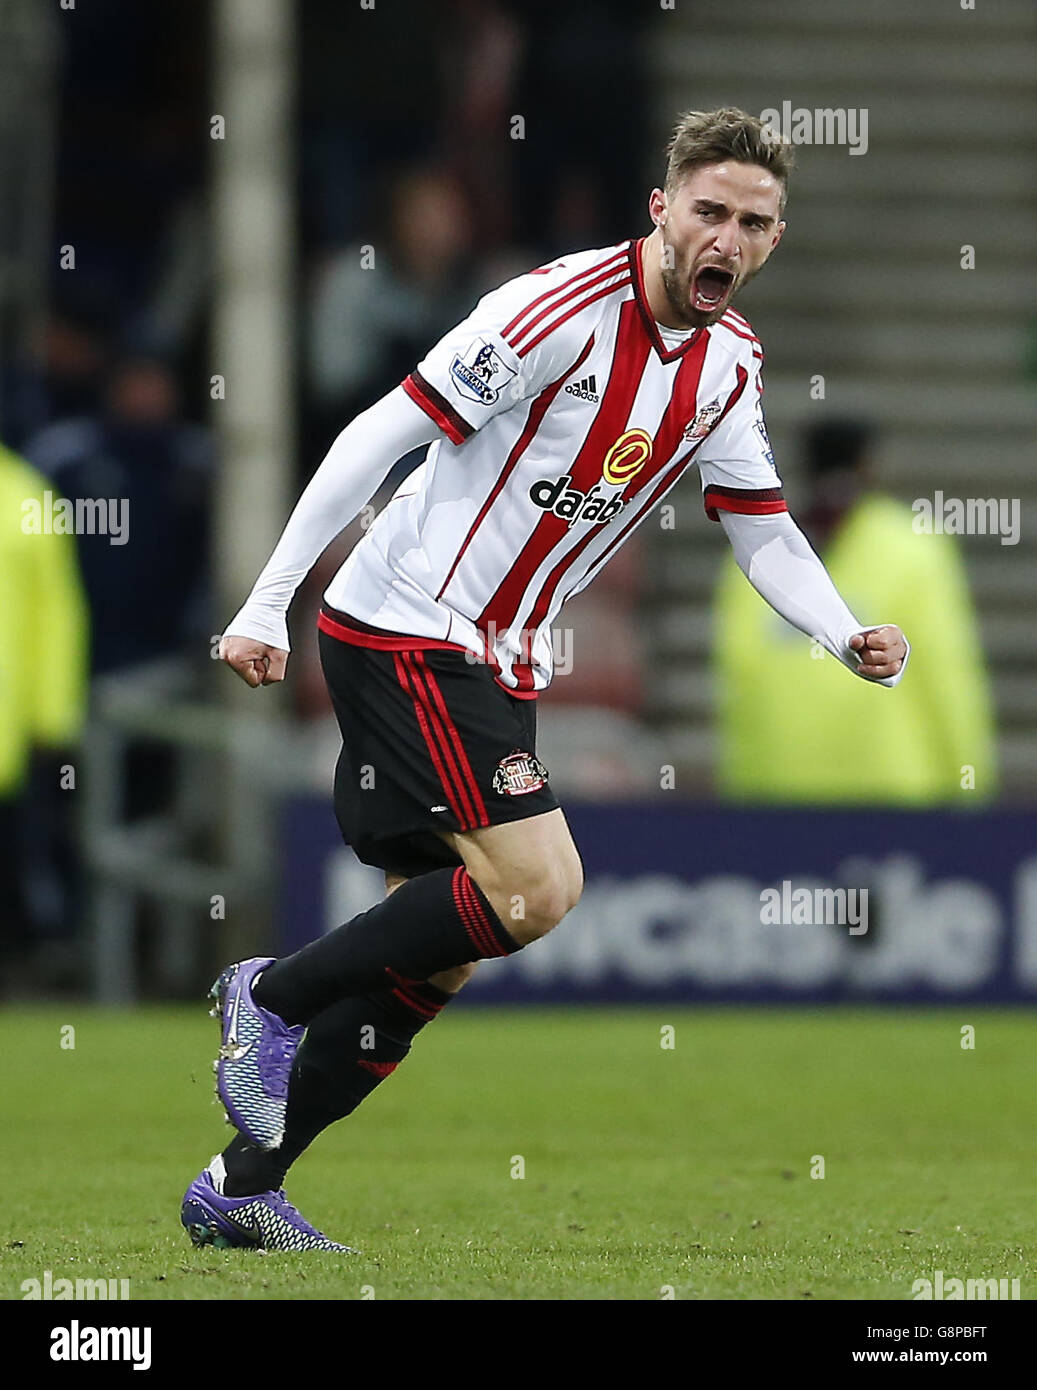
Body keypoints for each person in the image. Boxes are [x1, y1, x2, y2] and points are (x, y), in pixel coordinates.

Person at [181, 108, 909, 1251]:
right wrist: (267, 600)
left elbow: (758, 524)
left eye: (753, 222)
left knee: (452, 942)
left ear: (774, 240)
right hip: (404, 624)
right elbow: (379, 434)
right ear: (661, 210)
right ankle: (264, 998)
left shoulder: (726, 367)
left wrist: (839, 627)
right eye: (707, 211)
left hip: (496, 657)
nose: (726, 236)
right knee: (540, 887)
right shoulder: (554, 310)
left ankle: (239, 1183)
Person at [714, 420, 996, 802]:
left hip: (782, 791)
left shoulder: (754, 553)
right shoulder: (914, 548)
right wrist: (970, 781)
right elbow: (946, 674)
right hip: (894, 790)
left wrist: (741, 788)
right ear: (869, 466)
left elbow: (738, 675)